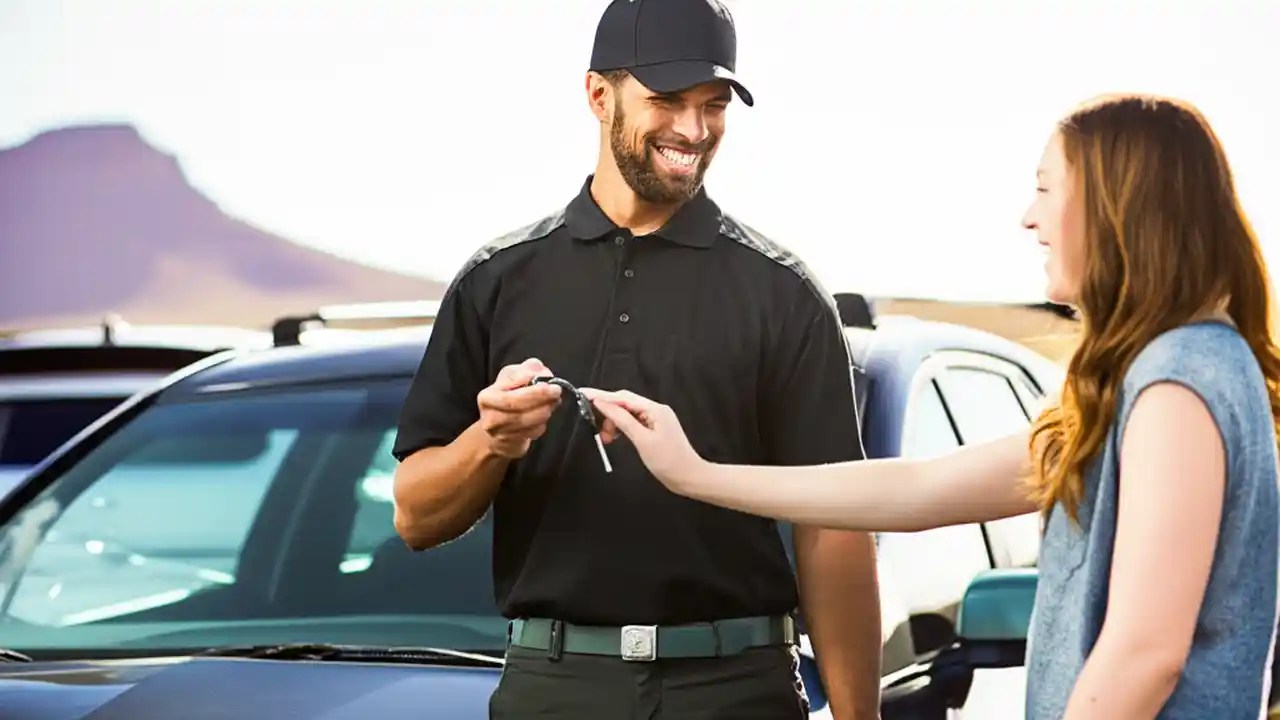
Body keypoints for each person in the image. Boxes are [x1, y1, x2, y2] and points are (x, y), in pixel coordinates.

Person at [585, 93, 1280, 720]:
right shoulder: (1152, 379)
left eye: (1045, 189)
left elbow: (1146, 652)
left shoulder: (1176, 384)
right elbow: (918, 486)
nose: (1030, 217)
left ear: (1116, 205)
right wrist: (694, 474)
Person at [390, 1, 882, 717]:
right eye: (668, 101)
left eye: (713, 105)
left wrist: (857, 717)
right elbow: (414, 516)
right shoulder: (497, 281)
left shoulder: (785, 295)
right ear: (598, 95)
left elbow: (836, 526)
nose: (693, 129)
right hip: (554, 690)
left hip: (737, 691)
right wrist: (491, 442)